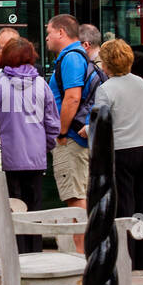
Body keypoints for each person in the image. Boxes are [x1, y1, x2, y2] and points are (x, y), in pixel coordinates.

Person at [91, 38, 143, 270]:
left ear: (107, 64)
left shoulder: (105, 90)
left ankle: (126, 256)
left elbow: (102, 124)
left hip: (121, 149)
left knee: (124, 203)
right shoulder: (142, 83)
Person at [0, 37, 59, 254]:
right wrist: (44, 146)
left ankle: (16, 251)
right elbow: (52, 123)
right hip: (35, 156)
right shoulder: (42, 84)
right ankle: (34, 251)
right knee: (35, 207)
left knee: (11, 207)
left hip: (6, 158)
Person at [46, 13, 105, 253]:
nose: (47, 37)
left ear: (61, 32)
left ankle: (81, 255)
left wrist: (61, 131)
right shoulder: (77, 56)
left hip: (70, 138)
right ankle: (84, 251)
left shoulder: (70, 58)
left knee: (75, 197)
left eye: (49, 32)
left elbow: (72, 97)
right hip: (75, 137)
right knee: (79, 193)